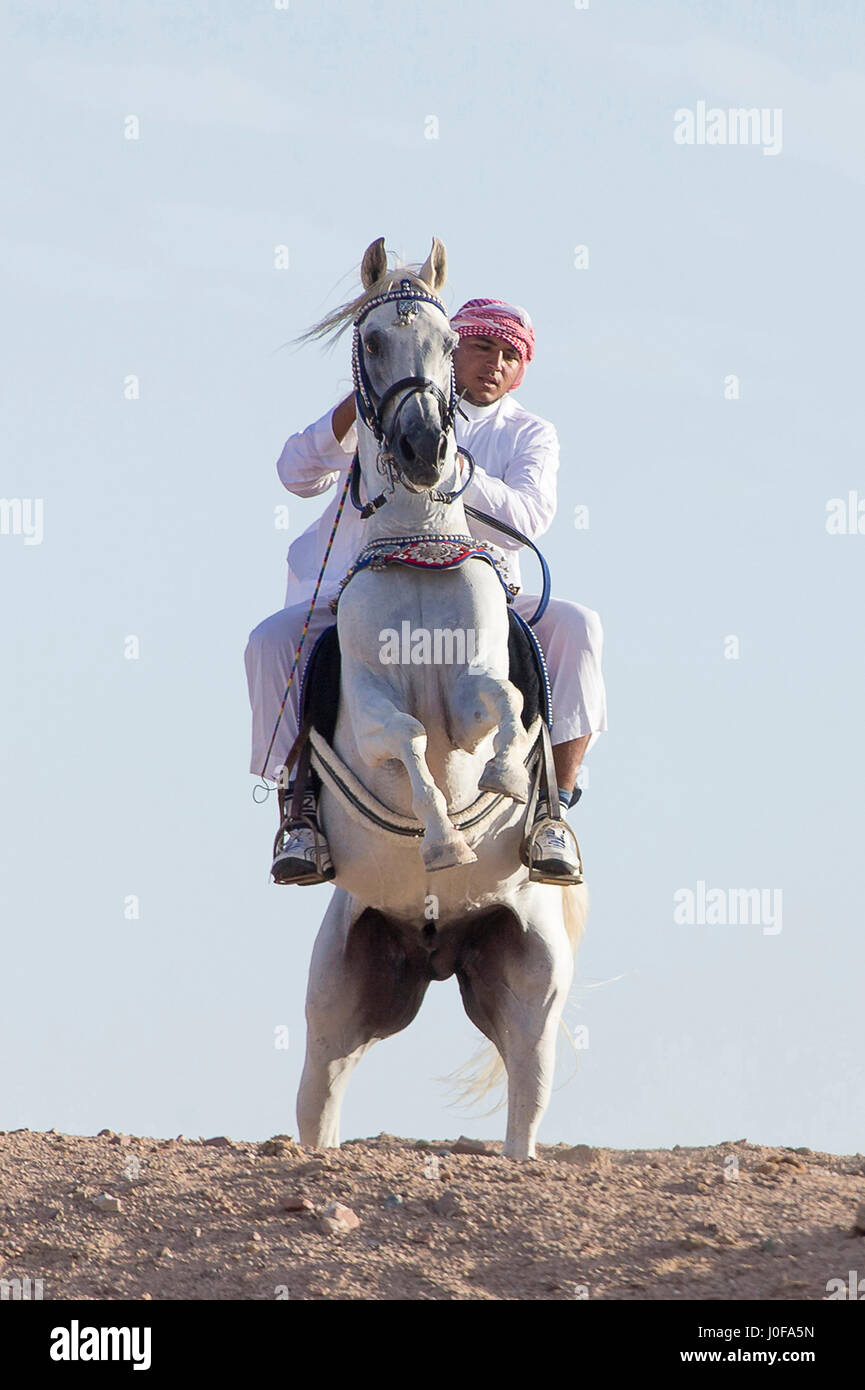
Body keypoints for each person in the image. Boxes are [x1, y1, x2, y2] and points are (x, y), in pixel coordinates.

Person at [245, 295, 607, 886]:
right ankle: (300, 810)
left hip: (485, 591)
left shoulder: (530, 432)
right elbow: (295, 474)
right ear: (450, 351)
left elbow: (530, 516)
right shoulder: (385, 411)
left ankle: (552, 811)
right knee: (268, 641)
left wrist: (449, 466)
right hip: (367, 587)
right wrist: (363, 400)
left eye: (511, 356)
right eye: (482, 347)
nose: (494, 364)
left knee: (580, 627)